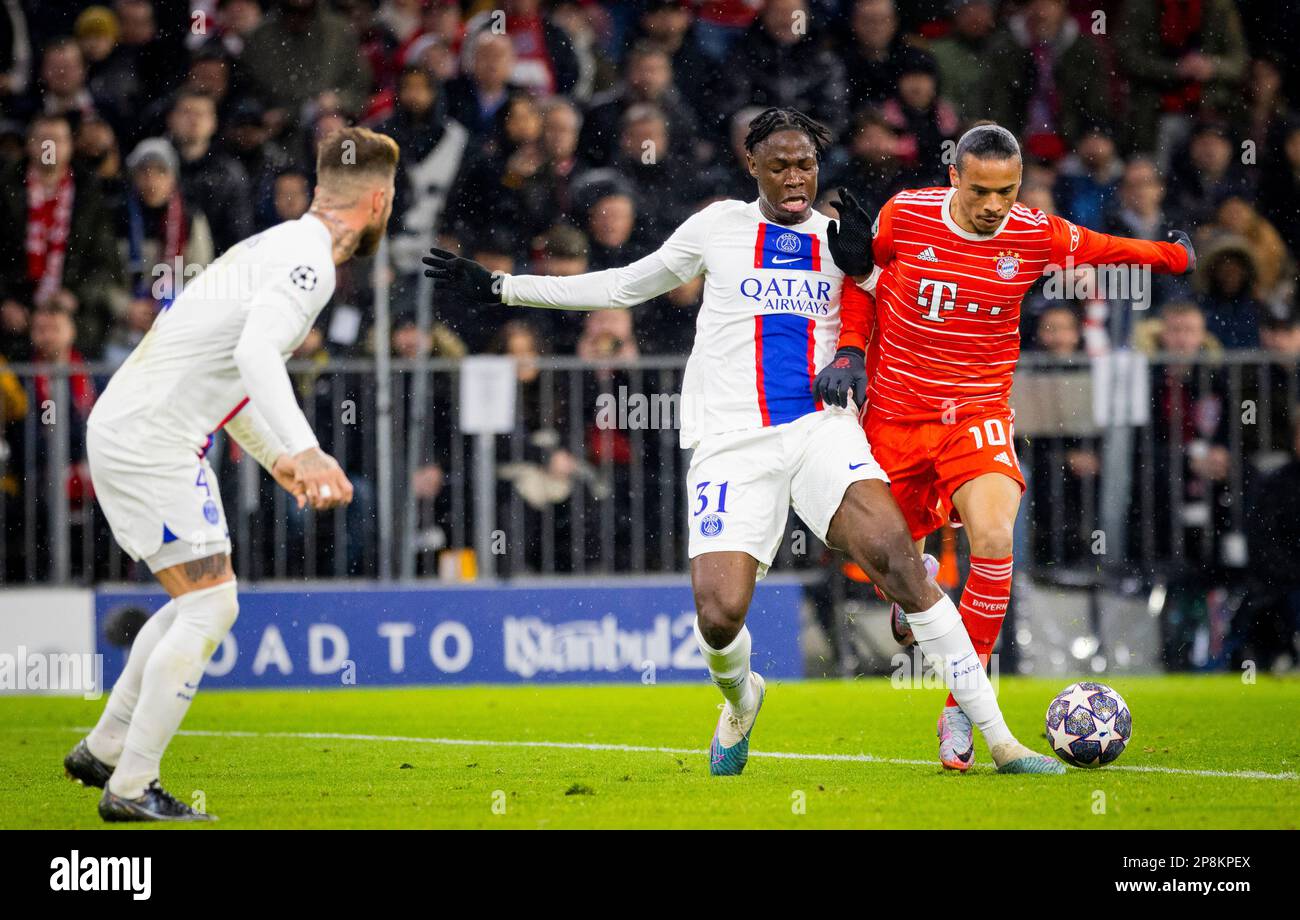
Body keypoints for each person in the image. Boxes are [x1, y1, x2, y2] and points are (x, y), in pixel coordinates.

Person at [424, 107, 1064, 778]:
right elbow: (625, 283)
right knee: (721, 614)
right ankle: (741, 700)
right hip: (731, 442)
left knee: (902, 565)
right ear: (751, 166)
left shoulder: (843, 239)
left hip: (821, 433)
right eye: (781, 164)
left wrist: (871, 275)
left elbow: (911, 312)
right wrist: (503, 287)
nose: (795, 177)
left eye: (806, 165)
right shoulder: (717, 227)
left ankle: (1000, 741)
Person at [817, 123, 1193, 770]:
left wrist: (1174, 257)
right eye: (983, 190)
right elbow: (858, 277)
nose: (995, 205)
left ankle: (961, 709)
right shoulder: (906, 214)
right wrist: (850, 350)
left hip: (978, 412)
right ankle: (913, 592)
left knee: (992, 538)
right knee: (891, 562)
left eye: (1008, 190)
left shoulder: (1031, 231)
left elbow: (1105, 248)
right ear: (956, 177)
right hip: (896, 420)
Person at [63, 126, 399, 822]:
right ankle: (130, 789)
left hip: (135, 427)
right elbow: (255, 355)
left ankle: (103, 748)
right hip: (152, 438)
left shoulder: (275, 244)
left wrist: (274, 455)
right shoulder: (312, 265)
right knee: (214, 607)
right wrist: (306, 449)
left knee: (199, 600)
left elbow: (228, 374)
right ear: (379, 199)